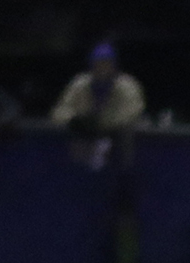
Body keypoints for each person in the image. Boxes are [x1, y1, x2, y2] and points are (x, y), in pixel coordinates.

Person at [50, 42, 146, 170]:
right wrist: (75, 120)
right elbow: (60, 110)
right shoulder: (79, 83)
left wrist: (100, 122)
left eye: (106, 63)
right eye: (98, 63)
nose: (102, 67)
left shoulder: (127, 85)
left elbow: (132, 112)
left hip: (118, 141)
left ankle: (123, 177)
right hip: (84, 138)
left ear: (114, 66)